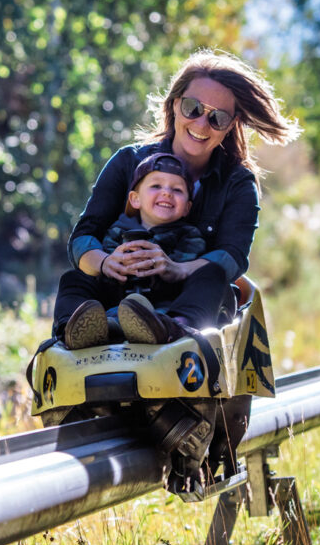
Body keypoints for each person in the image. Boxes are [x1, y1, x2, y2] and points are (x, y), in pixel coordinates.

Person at [52, 49, 302, 350]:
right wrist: (106, 263)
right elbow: (82, 237)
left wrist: (176, 268)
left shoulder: (238, 183)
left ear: (231, 124)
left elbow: (233, 258)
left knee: (214, 278)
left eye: (217, 118)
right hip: (116, 291)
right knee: (74, 279)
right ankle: (79, 331)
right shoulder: (126, 162)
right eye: (193, 107)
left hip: (188, 301)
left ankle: (168, 329)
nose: (201, 124)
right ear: (174, 105)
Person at [62, 153, 206, 349]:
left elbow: (186, 266)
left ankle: (167, 328)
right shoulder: (117, 231)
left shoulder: (189, 236)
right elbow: (106, 263)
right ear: (135, 199)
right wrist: (112, 264)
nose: (166, 193)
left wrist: (165, 267)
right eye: (156, 186)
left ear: (187, 208)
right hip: (115, 304)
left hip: (163, 309)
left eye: (177, 190)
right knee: (73, 279)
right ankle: (71, 329)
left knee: (207, 276)